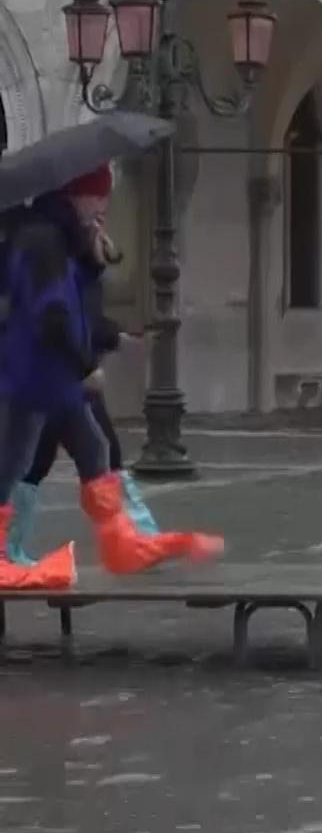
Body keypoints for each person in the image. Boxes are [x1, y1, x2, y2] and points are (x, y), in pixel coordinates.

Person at [0, 166, 222, 584]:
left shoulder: (60, 238)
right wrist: (85, 367)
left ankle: (124, 543)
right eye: (97, 196)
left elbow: (78, 308)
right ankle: (10, 549)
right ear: (76, 196)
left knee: (94, 448)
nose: (103, 206)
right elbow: (52, 318)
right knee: (14, 464)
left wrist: (92, 257)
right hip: (33, 378)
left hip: (53, 380)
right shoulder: (43, 240)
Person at [8, 197, 165, 561]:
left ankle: (136, 538)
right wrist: (86, 367)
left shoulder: (72, 250)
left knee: (67, 456)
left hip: (59, 378)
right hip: (52, 377)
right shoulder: (51, 249)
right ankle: (136, 537)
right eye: (95, 210)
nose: (101, 220)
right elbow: (62, 321)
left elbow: (85, 315)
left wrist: (99, 262)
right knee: (35, 462)